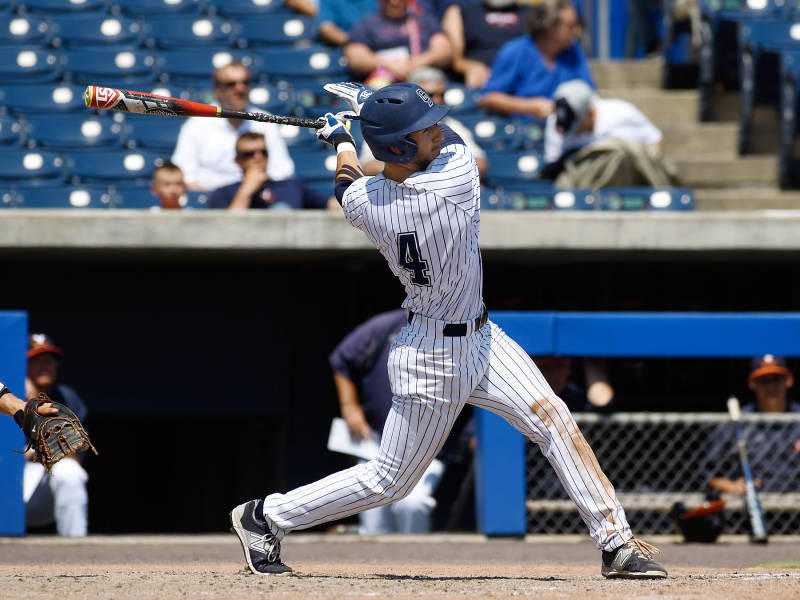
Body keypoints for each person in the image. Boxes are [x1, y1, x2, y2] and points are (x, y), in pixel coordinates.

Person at [229, 81, 667, 579]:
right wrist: (367, 106)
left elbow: (345, 184)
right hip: (431, 358)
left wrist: (344, 140)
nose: (437, 130)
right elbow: (451, 142)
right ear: (398, 148)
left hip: (481, 337)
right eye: (423, 129)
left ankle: (616, 543)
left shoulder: (366, 204)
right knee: (389, 481)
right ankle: (265, 517)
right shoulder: (452, 181)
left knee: (555, 420)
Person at [330, 308, 461, 533]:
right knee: (376, 525)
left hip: (426, 447)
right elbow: (341, 358)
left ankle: (418, 556)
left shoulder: (459, 331)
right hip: (377, 443)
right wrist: (349, 406)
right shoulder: (386, 326)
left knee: (412, 504)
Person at [171, 60, 295, 192]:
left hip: (258, 197)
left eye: (245, 82)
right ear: (217, 90)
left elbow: (282, 171)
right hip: (210, 199)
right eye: (231, 84)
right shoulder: (196, 125)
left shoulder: (266, 123)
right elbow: (183, 174)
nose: (240, 89)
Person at [540, 78, 679, 188]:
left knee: (622, 153)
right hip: (587, 182)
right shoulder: (555, 124)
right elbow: (554, 165)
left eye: (577, 125)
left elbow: (656, 142)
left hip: (629, 178)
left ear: (589, 113)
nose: (574, 131)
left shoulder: (620, 112)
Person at [478, 0, 594, 124]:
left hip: (565, 129)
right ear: (550, 27)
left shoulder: (574, 53)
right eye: (571, 26)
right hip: (519, 129)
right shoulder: (516, 51)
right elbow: (488, 98)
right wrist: (529, 107)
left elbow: (589, 92)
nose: (577, 30)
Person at [359, 67, 488, 178]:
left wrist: (432, 177)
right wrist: (421, 173)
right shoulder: (389, 125)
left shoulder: (452, 124)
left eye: (441, 94)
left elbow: (479, 163)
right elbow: (369, 166)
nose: (437, 100)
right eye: (430, 95)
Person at [23, 333, 91, 537]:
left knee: (70, 472)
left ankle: (75, 548)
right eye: (36, 360)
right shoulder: (5, 399)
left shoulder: (65, 398)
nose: (45, 366)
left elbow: (74, 453)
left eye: (49, 360)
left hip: (42, 488)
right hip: (8, 486)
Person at [706, 355, 800, 497]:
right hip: (750, 504)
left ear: (789, 380)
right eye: (764, 381)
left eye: (776, 379)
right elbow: (708, 474)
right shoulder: (737, 423)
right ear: (752, 384)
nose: (771, 387)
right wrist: (731, 486)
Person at [208, 132, 339, 211]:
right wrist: (246, 190)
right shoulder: (223, 194)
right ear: (238, 160)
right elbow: (226, 230)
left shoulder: (291, 186)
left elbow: (332, 206)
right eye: (249, 154)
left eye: (263, 152)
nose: (258, 158)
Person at [344, 0, 453, 88]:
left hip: (422, 76)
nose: (394, 2)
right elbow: (355, 59)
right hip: (383, 79)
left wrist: (417, 63)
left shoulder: (425, 21)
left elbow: (445, 51)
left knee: (431, 83)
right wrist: (390, 64)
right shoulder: (366, 25)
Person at [441, 0, 532, 89]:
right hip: (477, 85)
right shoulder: (460, 11)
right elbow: (454, 59)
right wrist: (469, 67)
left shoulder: (532, 14)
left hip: (520, 82)